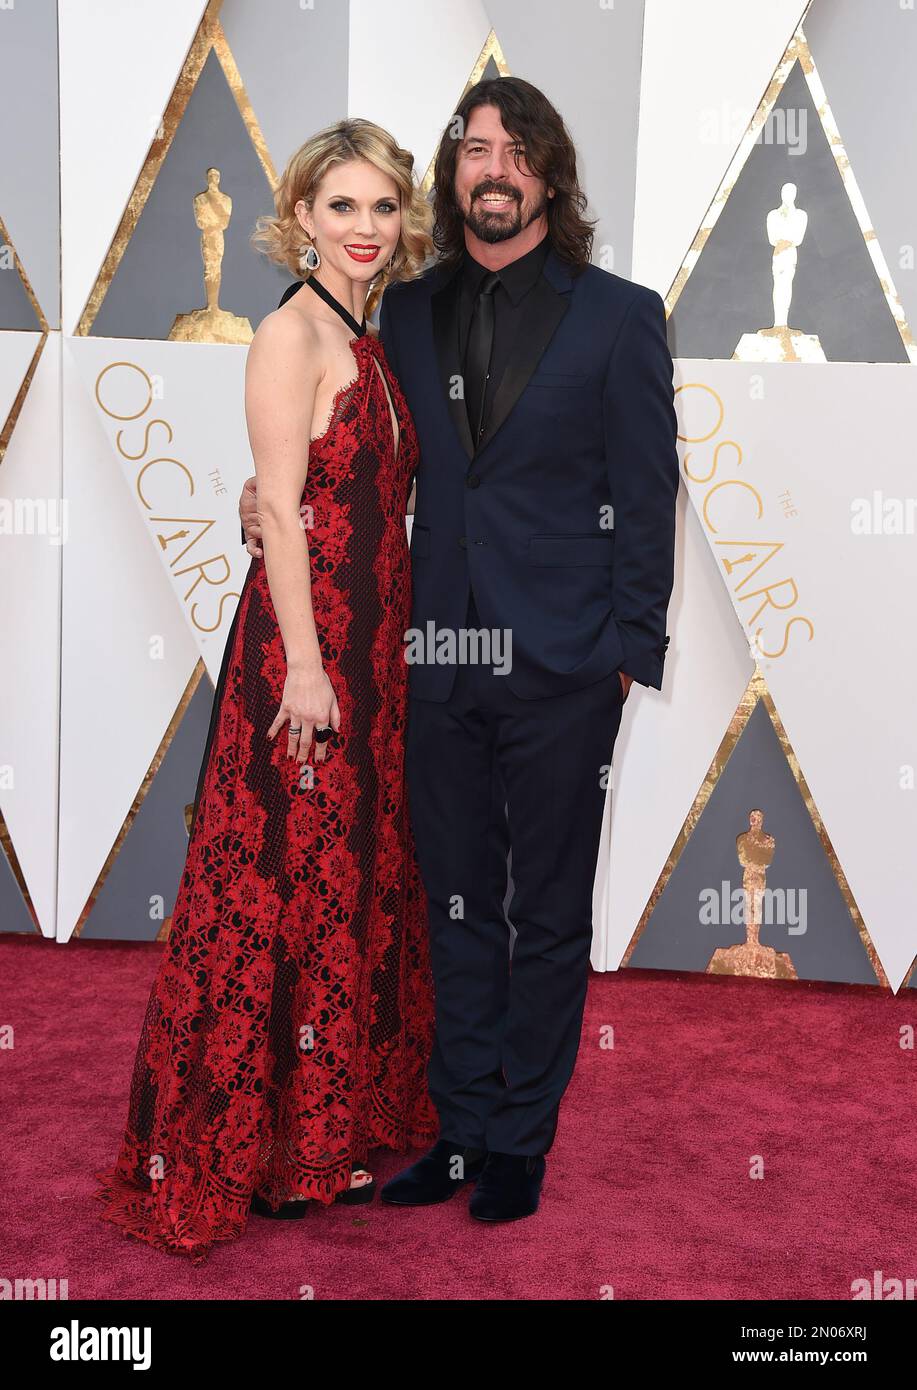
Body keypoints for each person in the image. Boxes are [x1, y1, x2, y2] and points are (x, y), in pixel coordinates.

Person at [241, 77, 679, 1224]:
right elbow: (358, 455)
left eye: (514, 150)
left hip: (565, 663)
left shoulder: (621, 314)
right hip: (427, 654)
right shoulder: (407, 311)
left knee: (547, 909)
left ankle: (520, 1139)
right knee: (448, 902)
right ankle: (458, 1126)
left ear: (548, 172)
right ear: (455, 174)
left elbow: (646, 495)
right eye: (473, 150)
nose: (493, 168)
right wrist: (265, 493)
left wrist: (627, 651)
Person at [94, 119, 437, 1264]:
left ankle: (324, 1134)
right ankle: (265, 1151)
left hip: (371, 654)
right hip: (311, 654)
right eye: (342, 207)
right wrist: (300, 659)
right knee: (284, 879)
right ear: (299, 217)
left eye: (383, 207)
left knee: (344, 876)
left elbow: (320, 492)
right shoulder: (291, 334)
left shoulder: (367, 333)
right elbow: (284, 513)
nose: (365, 228)